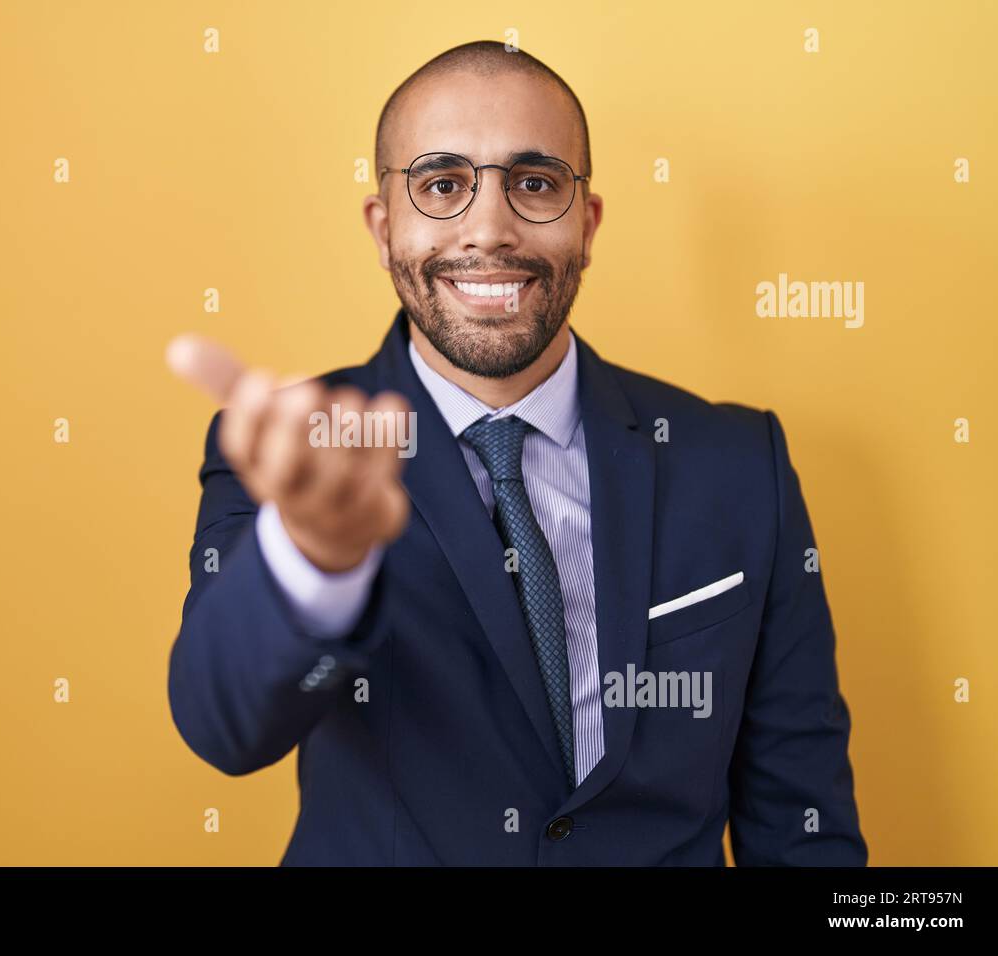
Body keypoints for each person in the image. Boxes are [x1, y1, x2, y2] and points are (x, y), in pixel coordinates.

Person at [166, 40, 867, 866]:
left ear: (589, 222)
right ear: (382, 224)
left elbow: (801, 819)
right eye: (441, 184)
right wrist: (316, 552)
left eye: (535, 183)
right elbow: (225, 727)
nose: (490, 229)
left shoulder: (740, 464)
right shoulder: (301, 454)